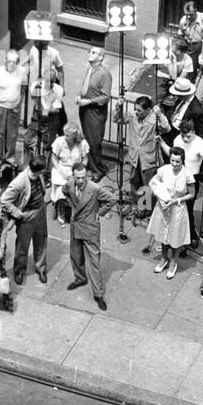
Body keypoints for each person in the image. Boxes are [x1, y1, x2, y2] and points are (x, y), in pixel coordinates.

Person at [64, 160, 118, 311]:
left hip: (90, 227)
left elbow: (112, 199)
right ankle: (80, 278)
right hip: (75, 224)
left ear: (86, 175)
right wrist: (71, 206)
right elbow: (64, 192)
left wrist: (99, 213)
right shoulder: (69, 183)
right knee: (75, 255)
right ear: (73, 176)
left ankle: (98, 294)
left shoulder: (94, 188)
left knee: (94, 261)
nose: (80, 181)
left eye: (83, 177)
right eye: (77, 178)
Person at [1, 155, 50, 287]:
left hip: (40, 211)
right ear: (39, 170)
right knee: (23, 245)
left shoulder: (38, 175)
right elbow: (4, 200)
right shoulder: (20, 181)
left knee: (41, 241)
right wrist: (18, 214)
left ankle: (41, 268)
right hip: (27, 215)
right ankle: (19, 271)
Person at [147, 145, 193, 281]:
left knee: (175, 237)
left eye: (177, 161)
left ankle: (174, 261)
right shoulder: (164, 170)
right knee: (163, 234)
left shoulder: (187, 175)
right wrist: (158, 193)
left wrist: (176, 201)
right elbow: (152, 182)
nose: (174, 164)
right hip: (163, 207)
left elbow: (192, 194)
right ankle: (163, 258)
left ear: (182, 161)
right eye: (172, 160)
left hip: (177, 209)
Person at [77, 47, 113, 179]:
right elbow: (85, 87)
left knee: (94, 141)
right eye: (90, 52)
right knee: (87, 139)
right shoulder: (90, 69)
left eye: (94, 53)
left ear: (101, 57)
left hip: (95, 112)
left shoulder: (104, 74)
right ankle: (92, 164)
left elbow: (105, 97)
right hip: (85, 109)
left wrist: (89, 101)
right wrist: (80, 96)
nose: (90, 54)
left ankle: (98, 170)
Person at [0, 50, 26, 162]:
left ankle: (10, 157)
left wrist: (19, 103)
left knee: (12, 134)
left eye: (14, 62)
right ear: (5, 60)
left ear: (18, 62)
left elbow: (23, 88)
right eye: (9, 61)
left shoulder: (22, 71)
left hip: (14, 108)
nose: (11, 64)